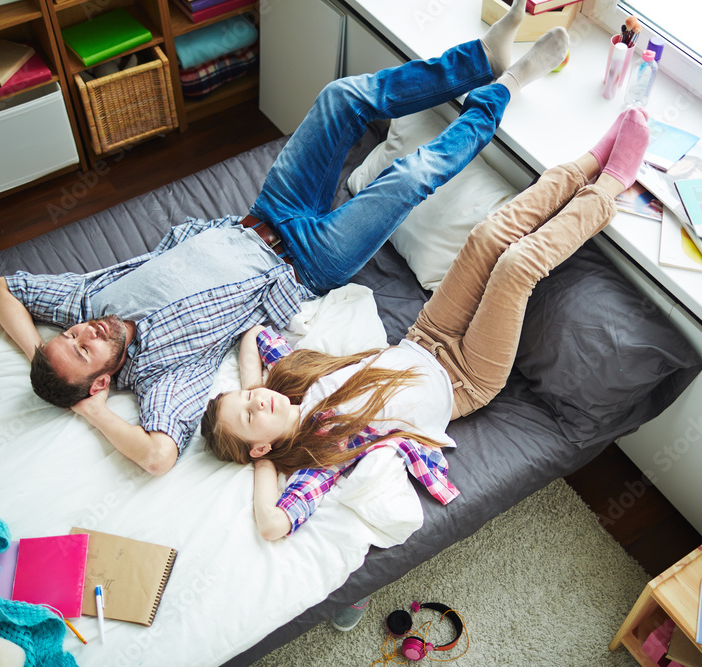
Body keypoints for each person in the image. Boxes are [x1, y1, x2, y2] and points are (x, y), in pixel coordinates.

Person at [0, 3, 570, 476]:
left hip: (266, 212)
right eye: (84, 350)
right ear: (104, 382)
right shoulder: (164, 375)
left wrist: (41, 351)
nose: (84, 333)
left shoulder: (88, 304)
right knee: (413, 177)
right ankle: (509, 85)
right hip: (309, 262)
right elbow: (159, 457)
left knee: (340, 97)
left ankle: (479, 60)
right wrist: (92, 414)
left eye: (73, 337)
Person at [200, 107, 652, 542]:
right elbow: (272, 525)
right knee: (516, 268)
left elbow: (254, 336)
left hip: (425, 336)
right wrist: (267, 464)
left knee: (485, 237)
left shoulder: (291, 382)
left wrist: (252, 388)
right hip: (464, 379)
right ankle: (609, 186)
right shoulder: (319, 457)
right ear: (259, 448)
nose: (257, 400)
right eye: (248, 415)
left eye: (247, 397)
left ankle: (586, 163)